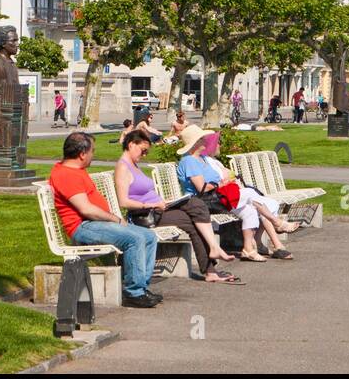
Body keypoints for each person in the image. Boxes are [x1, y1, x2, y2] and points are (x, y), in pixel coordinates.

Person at [49, 131, 160, 307]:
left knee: (149, 236)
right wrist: (115, 219)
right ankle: (134, 293)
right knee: (135, 238)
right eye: (92, 150)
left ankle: (142, 288)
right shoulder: (67, 175)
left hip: (95, 224)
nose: (94, 154)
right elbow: (86, 209)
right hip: (83, 227)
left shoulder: (76, 170)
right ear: (82, 154)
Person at [115, 129, 241, 284]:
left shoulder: (134, 165)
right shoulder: (123, 168)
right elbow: (123, 202)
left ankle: (211, 268)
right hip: (145, 215)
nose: (145, 155)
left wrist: (165, 200)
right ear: (131, 144)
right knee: (195, 207)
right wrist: (152, 204)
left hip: (157, 208)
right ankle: (212, 258)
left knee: (194, 212)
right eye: (143, 150)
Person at [176, 125, 298, 262]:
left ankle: (248, 250)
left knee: (249, 209)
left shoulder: (201, 159)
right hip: (202, 201)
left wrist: (224, 181)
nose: (205, 140)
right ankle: (277, 222)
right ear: (195, 143)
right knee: (249, 193)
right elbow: (202, 188)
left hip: (216, 197)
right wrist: (221, 184)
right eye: (202, 138)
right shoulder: (189, 161)